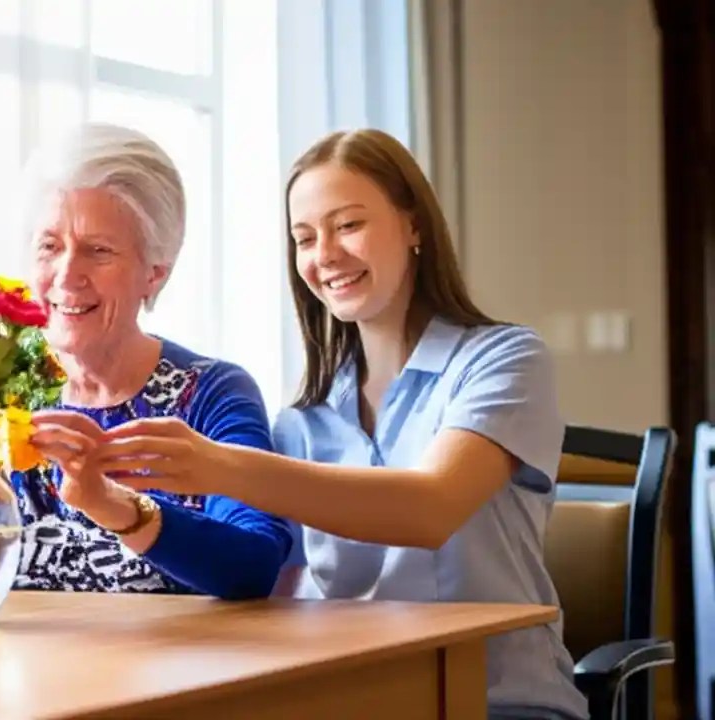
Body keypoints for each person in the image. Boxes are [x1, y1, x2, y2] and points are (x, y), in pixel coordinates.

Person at [42, 129, 588, 720]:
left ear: (414, 226)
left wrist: (219, 465)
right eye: (305, 237)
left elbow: (431, 508)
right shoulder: (303, 420)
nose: (324, 254)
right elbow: (277, 592)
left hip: (499, 703)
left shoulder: (503, 359)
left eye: (348, 225)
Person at [14, 122, 301, 599]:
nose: (67, 276)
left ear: (154, 272)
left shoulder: (209, 393)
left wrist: (115, 506)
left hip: (175, 672)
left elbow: (254, 563)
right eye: (50, 246)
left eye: (98, 251)